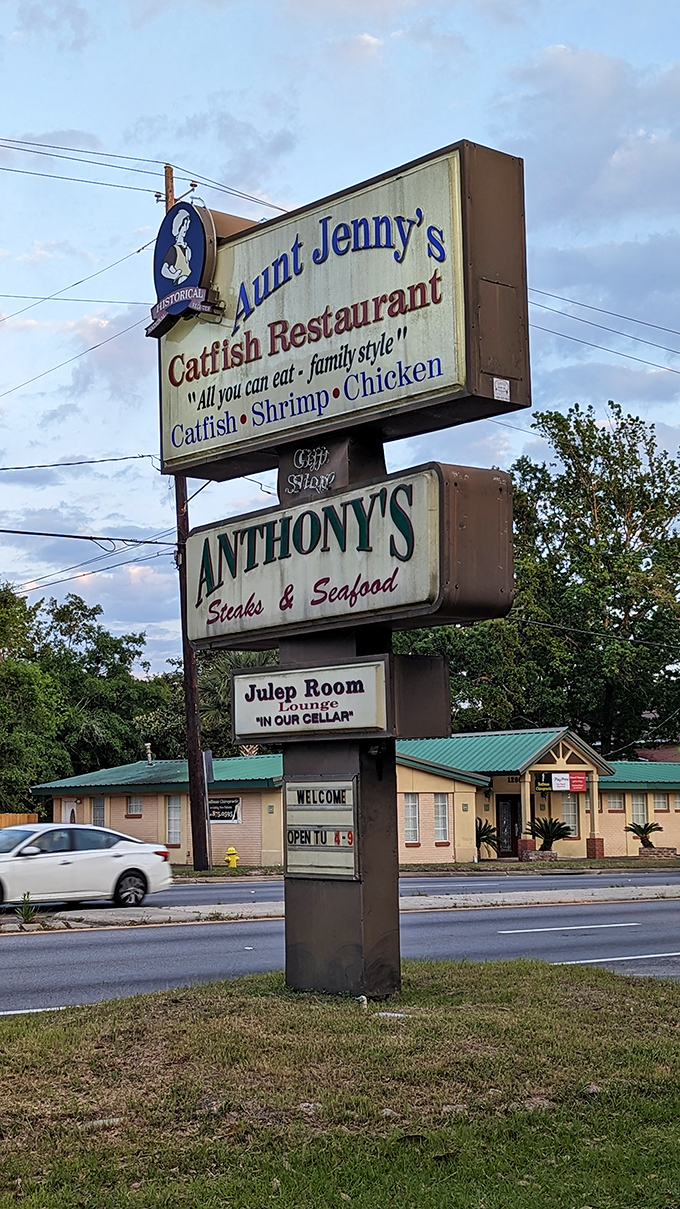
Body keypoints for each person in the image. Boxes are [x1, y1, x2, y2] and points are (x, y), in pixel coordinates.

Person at [160, 209, 192, 284]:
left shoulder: (187, 249)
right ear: (178, 227)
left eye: (187, 225)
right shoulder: (174, 250)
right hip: (180, 283)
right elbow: (164, 269)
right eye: (184, 225)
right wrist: (174, 275)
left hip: (188, 285)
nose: (185, 228)